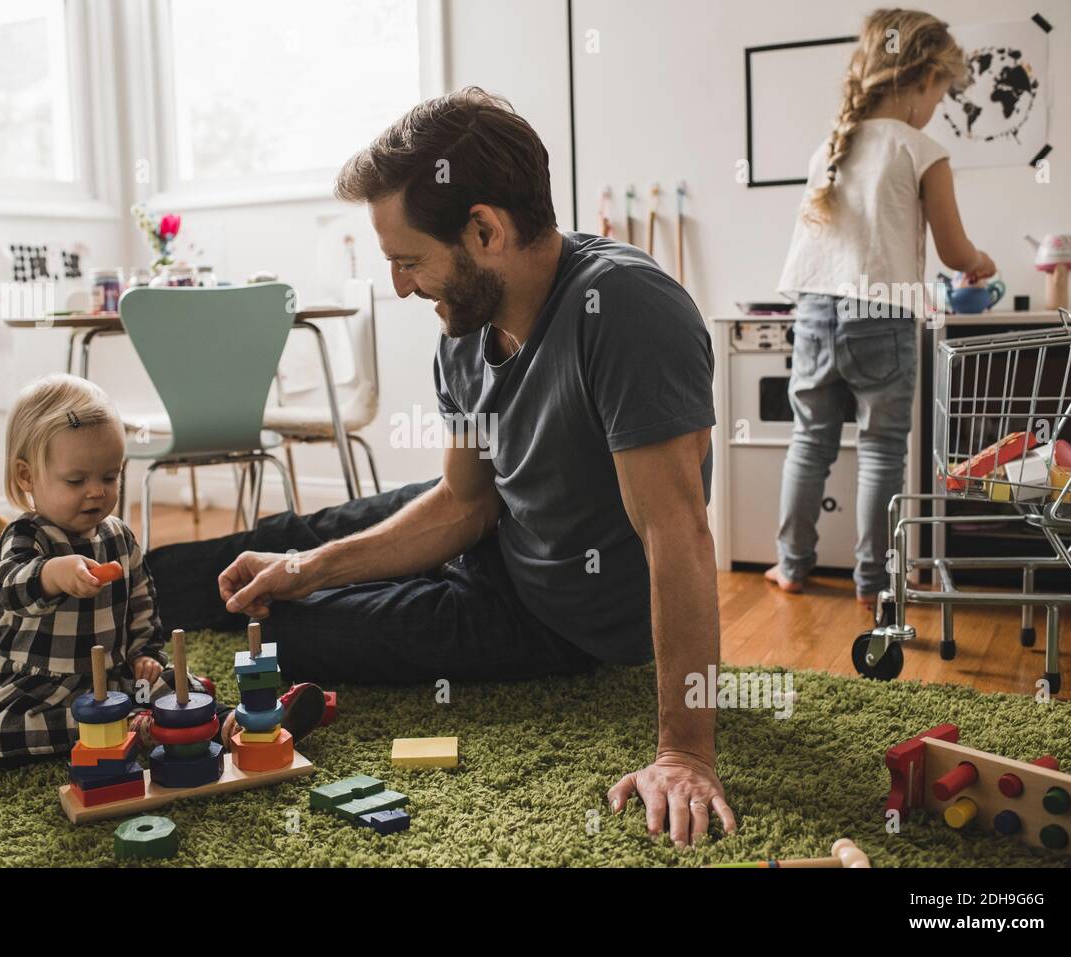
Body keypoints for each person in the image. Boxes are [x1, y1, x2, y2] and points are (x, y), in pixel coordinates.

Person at [149, 87, 734, 847]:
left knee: (293, 634)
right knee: (280, 546)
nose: (399, 285)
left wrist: (684, 751)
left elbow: (677, 536)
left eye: (409, 261)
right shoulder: (467, 325)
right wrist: (312, 564)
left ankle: (252, 608)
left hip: (557, 618)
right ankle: (104, 592)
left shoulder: (626, 310)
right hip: (499, 530)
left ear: (484, 229)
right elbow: (464, 503)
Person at [0, 374, 324, 765]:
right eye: (76, 480)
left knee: (177, 684)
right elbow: (9, 589)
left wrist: (145, 651)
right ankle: (133, 727)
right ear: (27, 476)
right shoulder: (26, 536)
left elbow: (142, 602)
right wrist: (52, 573)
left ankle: (232, 725)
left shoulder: (118, 535)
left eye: (110, 476)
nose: (96, 491)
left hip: (115, 675)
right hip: (41, 685)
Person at [767, 8, 995, 608]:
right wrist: (981, 260)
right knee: (881, 450)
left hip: (814, 312)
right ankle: (873, 583)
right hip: (884, 312)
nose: (938, 107)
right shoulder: (922, 150)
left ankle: (791, 565)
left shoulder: (830, 148)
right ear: (921, 80)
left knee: (809, 442)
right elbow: (953, 250)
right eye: (941, 93)